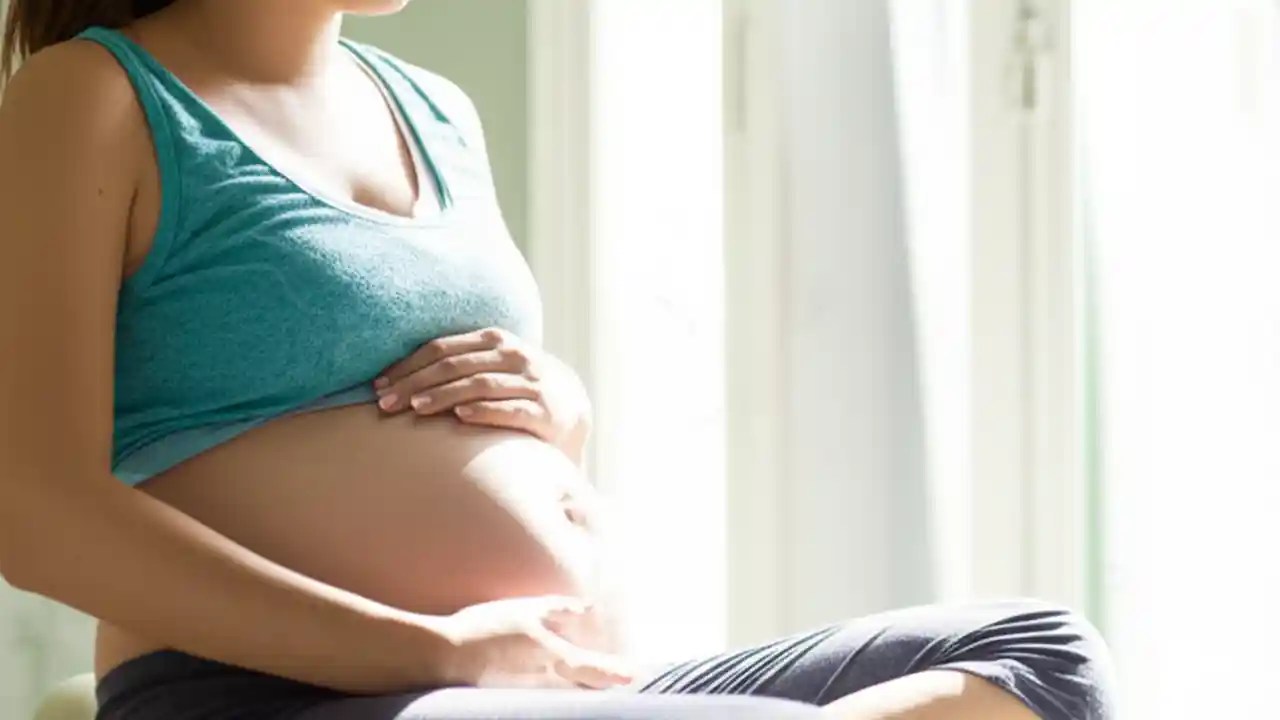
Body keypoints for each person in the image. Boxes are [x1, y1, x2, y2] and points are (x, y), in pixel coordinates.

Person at [0, 1, 1116, 718]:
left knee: (1032, 661)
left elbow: (436, 422)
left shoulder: (434, 111)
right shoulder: (92, 98)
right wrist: (426, 648)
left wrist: (561, 421)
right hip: (261, 691)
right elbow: (33, 509)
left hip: (544, 683)